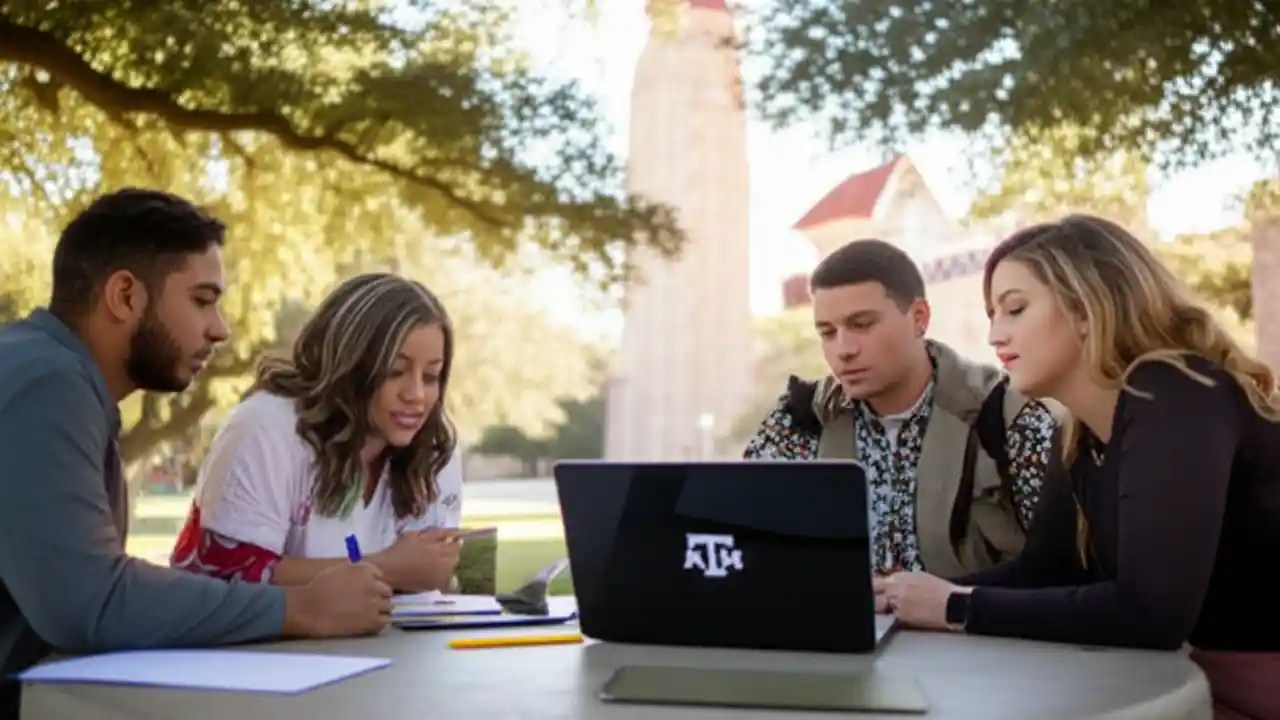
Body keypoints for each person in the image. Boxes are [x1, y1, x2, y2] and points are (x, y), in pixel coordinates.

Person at [0, 189, 392, 719]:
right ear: (125, 296)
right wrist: (298, 608)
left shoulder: (49, 375)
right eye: (202, 300)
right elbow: (89, 601)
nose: (220, 329)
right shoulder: (47, 384)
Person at [876, 215, 1280, 719]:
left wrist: (956, 607)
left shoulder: (1175, 392)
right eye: (992, 315)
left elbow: (1150, 616)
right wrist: (906, 596)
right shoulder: (1079, 434)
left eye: (1015, 309)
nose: (996, 336)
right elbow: (1044, 571)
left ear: (1087, 307)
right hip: (1202, 687)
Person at [744, 239, 1059, 578]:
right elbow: (742, 545)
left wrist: (950, 602)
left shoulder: (1008, 417)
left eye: (862, 325)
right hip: (840, 627)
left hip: (975, 627)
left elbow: (1061, 570)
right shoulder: (802, 420)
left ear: (919, 318)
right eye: (827, 332)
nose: (844, 349)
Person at [171, 273, 464, 593]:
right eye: (395, 371)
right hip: (252, 644)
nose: (417, 394)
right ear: (348, 363)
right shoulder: (266, 428)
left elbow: (439, 586)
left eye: (432, 376)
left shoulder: (434, 451)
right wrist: (386, 568)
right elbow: (222, 577)